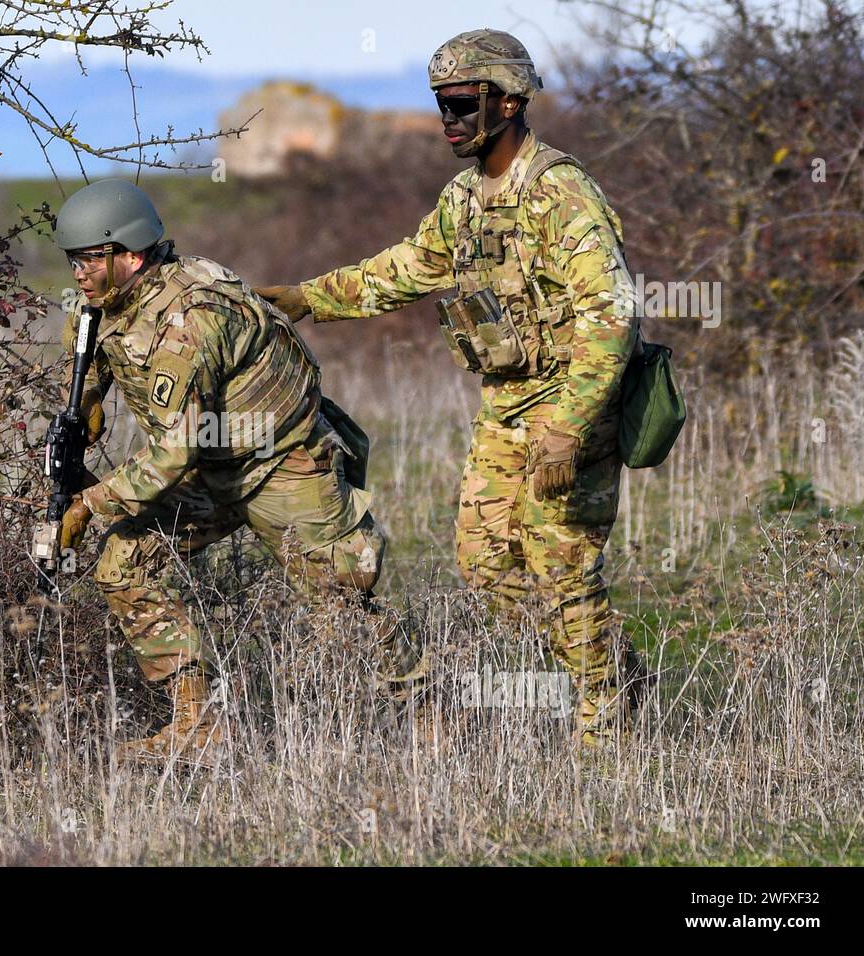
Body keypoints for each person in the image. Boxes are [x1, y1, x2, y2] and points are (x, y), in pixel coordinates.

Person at [256, 29, 651, 746]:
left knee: (560, 566)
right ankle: (611, 669)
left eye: (464, 103)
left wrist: (569, 425)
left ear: (509, 100)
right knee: (486, 566)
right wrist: (308, 297)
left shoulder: (559, 191)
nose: (450, 120)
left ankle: (608, 729)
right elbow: (408, 266)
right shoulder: (465, 197)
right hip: (505, 409)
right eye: (441, 104)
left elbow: (612, 313)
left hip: (571, 407)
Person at [50, 179, 420, 764]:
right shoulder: (103, 306)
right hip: (209, 468)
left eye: (90, 259)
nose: (78, 273)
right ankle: (199, 724)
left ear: (132, 256)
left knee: (338, 601)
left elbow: (175, 451)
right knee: (122, 566)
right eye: (72, 261)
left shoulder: (187, 318)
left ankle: (426, 718)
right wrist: (90, 396)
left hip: (282, 463)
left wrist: (89, 505)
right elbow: (89, 356)